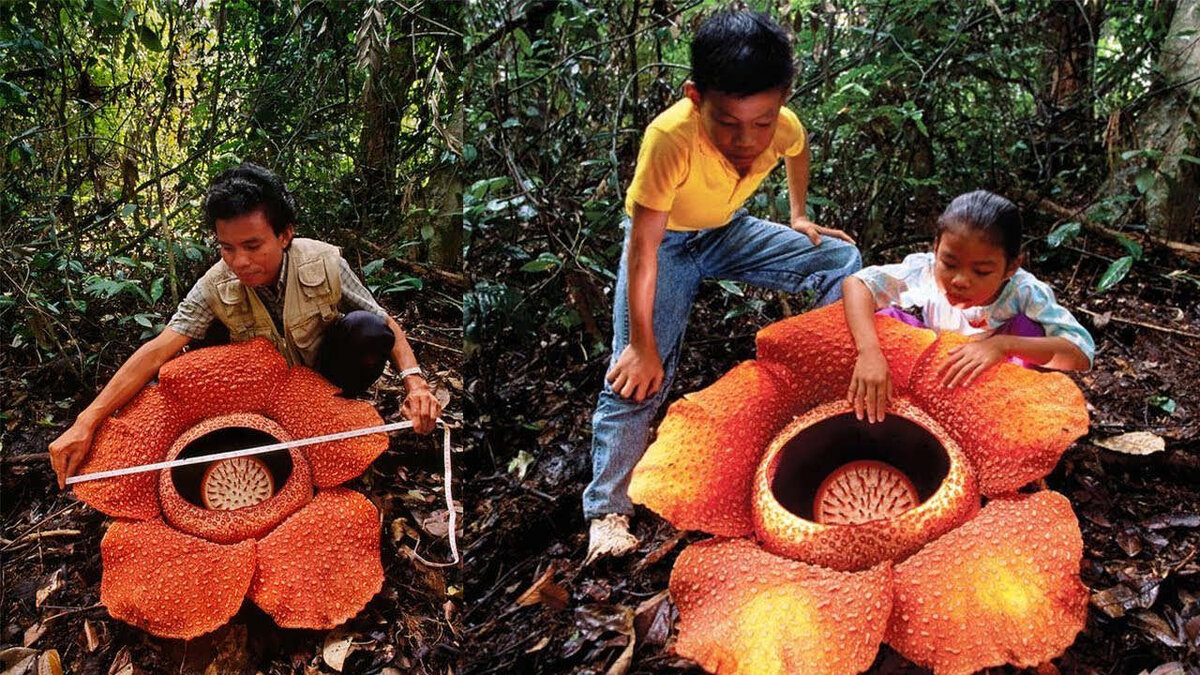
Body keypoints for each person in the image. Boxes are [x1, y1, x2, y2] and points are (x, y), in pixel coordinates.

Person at [583, 10, 862, 564]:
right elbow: (643, 252)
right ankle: (607, 512)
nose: (747, 139)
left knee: (841, 258)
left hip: (725, 231)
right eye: (728, 122)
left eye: (762, 122)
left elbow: (797, 150)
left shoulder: (782, 125)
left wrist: (800, 214)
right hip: (666, 248)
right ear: (695, 97)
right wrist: (642, 345)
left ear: (782, 98)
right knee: (636, 378)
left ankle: (822, 387)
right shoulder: (669, 138)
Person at [48, 162, 441, 488]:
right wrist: (87, 421)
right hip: (255, 402)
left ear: (285, 235)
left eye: (253, 246)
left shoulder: (324, 262)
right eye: (227, 247)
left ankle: (337, 422)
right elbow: (159, 350)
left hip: (325, 379)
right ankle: (240, 434)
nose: (239, 261)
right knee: (197, 348)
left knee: (368, 330)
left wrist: (415, 383)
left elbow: (386, 321)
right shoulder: (215, 284)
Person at [843, 190, 1094, 424]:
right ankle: (887, 406)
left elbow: (1080, 353)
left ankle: (1012, 424)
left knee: (1029, 330)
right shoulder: (925, 271)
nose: (960, 280)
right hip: (939, 377)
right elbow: (858, 283)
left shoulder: (1024, 291)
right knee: (886, 320)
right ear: (935, 248)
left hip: (1001, 391)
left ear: (1011, 267)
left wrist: (1002, 345)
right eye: (949, 264)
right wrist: (870, 352)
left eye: (981, 271)